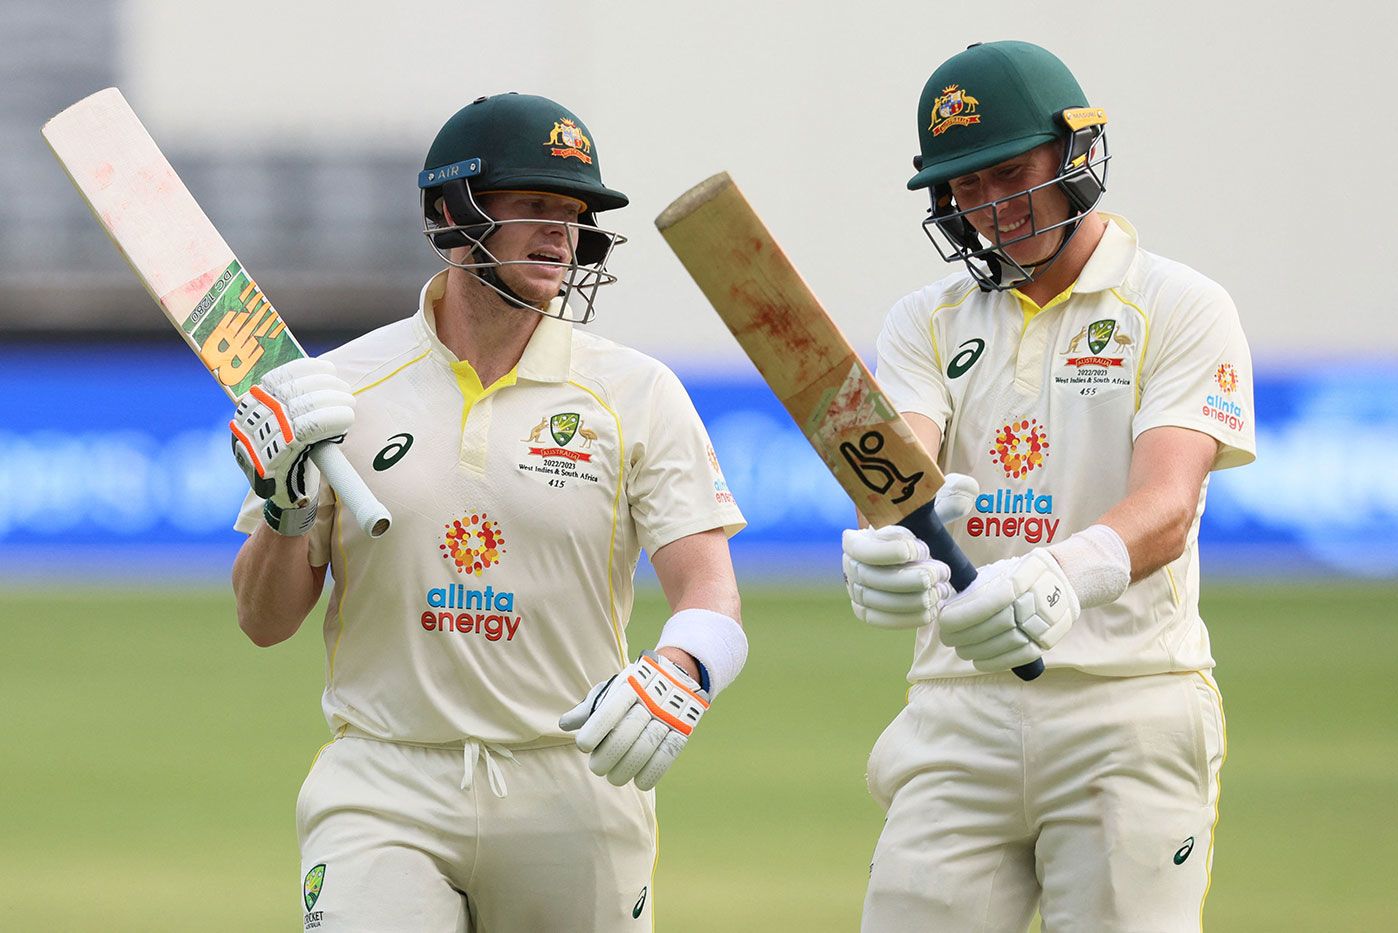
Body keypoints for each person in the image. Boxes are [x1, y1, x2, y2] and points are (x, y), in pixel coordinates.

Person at [228, 92, 748, 932]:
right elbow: (261, 621)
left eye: (574, 214)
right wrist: (284, 508)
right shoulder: (340, 389)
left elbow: (711, 593)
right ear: (451, 212)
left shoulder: (636, 393)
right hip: (385, 782)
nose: (561, 234)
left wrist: (682, 669)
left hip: (574, 780)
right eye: (534, 205)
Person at [840, 41, 1255, 931]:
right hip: (958, 708)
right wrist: (886, 537)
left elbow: (1169, 506)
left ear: (1074, 154)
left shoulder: (1181, 305)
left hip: (1128, 703)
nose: (991, 209)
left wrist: (1061, 575)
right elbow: (900, 467)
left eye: (1011, 174)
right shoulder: (925, 319)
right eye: (967, 189)